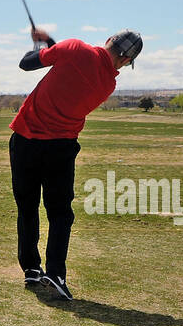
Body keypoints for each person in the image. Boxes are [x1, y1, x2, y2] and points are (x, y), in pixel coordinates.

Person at [9, 28, 143, 300]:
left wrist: (40, 44)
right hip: (61, 148)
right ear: (127, 62)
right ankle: (55, 272)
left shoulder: (74, 49)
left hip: (25, 141)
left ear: (109, 41)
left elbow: (26, 63)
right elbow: (70, 68)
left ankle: (32, 268)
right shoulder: (108, 84)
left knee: (27, 206)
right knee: (59, 213)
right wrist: (48, 43)